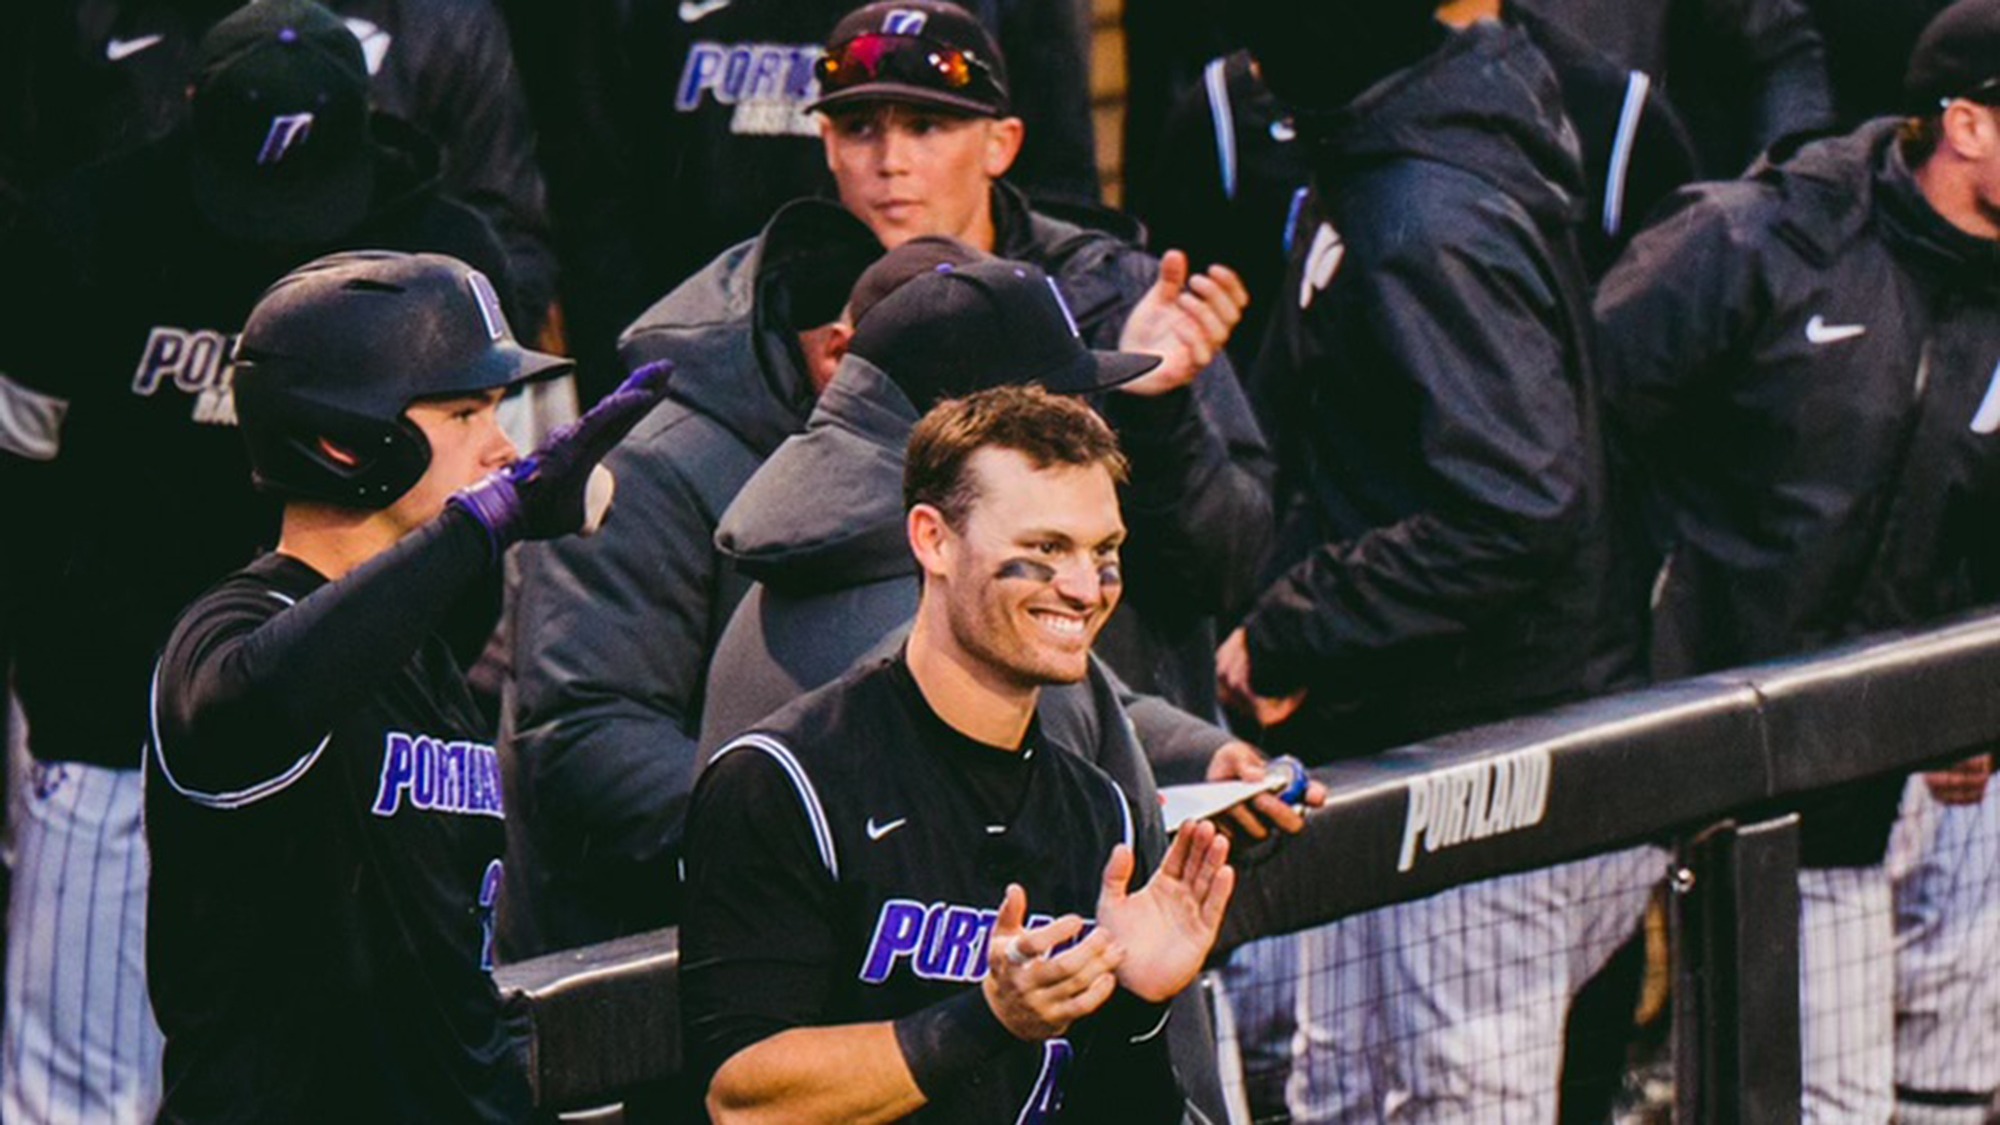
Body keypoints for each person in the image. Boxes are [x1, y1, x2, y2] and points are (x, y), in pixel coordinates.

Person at [510, 0, 1269, 953]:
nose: (890, 159)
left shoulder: (1106, 298)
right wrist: (844, 837)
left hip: (1061, 901)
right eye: (861, 126)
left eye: (926, 124)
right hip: (770, 956)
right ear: (837, 356)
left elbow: (1162, 607)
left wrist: (1192, 752)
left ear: (1003, 142)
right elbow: (586, 741)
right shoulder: (687, 434)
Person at [0, 3, 521, 1120]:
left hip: (376, 712)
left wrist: (421, 663)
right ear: (188, 116)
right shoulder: (84, 233)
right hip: (111, 730)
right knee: (84, 1096)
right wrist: (66, 685)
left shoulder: (439, 263)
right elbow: (22, 498)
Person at [1215, 3, 1657, 1120]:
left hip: (1495, 757)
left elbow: (1515, 503)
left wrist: (1291, 627)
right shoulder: (1368, 169)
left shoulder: (1424, 210)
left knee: (1455, 1105)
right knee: (1343, 1094)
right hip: (1398, 737)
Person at [144, 249, 668, 1123]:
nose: (502, 447)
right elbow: (257, 700)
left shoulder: (420, 650)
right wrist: (486, 523)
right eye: (465, 412)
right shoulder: (231, 631)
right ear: (347, 440)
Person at [1594, 0, 2000, 1117]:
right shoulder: (1757, 241)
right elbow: (1587, 430)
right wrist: (1637, 636)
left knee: (1850, 1100)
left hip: (1865, 772)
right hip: (1667, 725)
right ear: (1964, 126)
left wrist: (1971, 701)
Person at [682, 384, 1236, 1123]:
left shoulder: (1098, 808)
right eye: (1044, 549)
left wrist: (1139, 1002)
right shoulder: (786, 780)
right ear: (933, 539)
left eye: (1103, 552)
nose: (1082, 588)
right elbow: (746, 1101)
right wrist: (987, 1017)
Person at [0, 0, 556, 338]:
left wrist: (421, 371)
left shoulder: (444, 23)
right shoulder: (87, 21)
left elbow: (509, 237)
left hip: (366, 397)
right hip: (142, 391)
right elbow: (29, 194)